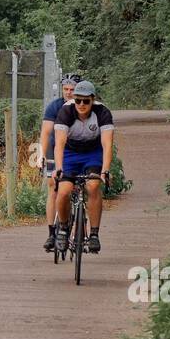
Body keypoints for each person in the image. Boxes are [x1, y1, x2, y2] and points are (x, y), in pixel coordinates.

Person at [53, 80, 115, 255]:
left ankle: (94, 233)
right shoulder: (66, 111)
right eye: (78, 100)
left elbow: (107, 144)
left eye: (86, 101)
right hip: (70, 154)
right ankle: (64, 228)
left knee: (93, 186)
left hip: (92, 153)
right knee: (64, 191)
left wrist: (105, 170)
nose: (81, 105)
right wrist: (58, 167)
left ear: (93, 100)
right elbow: (59, 143)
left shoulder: (102, 112)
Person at [37, 73, 79, 252]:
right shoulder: (55, 106)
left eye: (72, 90)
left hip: (76, 151)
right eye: (66, 89)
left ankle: (78, 225)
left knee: (77, 186)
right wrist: (41, 155)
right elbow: (46, 133)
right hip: (55, 149)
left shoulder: (83, 106)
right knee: (53, 185)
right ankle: (51, 232)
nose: (68, 93)